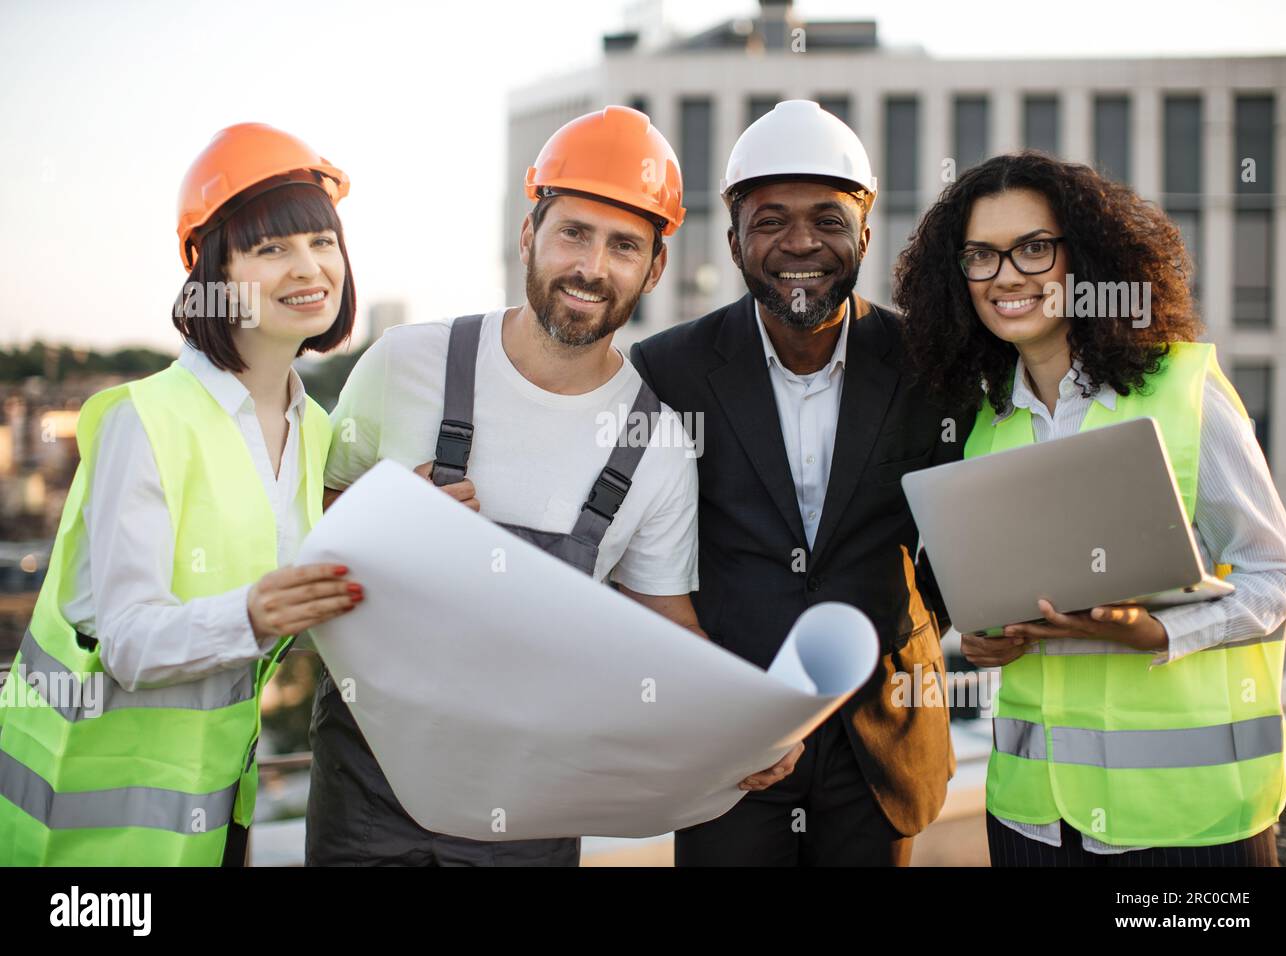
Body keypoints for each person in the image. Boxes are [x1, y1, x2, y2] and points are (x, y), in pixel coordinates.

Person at [308, 105, 786, 867]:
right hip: (369, 791)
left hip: (530, 809)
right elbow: (308, 525)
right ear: (528, 235)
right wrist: (393, 526)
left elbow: (665, 623)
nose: (593, 268)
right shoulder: (406, 364)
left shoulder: (655, 440)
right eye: (574, 233)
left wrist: (738, 729)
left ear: (654, 268)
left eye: (624, 245)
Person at [894, 150, 1286, 866]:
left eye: (1034, 248)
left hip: (1187, 826)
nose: (1007, 275)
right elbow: (1009, 607)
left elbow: (1278, 578)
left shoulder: (1183, 391)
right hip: (1032, 822)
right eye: (980, 257)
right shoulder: (986, 426)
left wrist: (1159, 635)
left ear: (1085, 261)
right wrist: (988, 641)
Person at [0, 123, 364, 866]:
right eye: (273, 249)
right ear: (212, 271)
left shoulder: (318, 429)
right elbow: (129, 641)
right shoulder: (145, 420)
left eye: (322, 243)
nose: (310, 267)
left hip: (215, 807)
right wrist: (251, 614)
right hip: (89, 830)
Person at [631, 100, 963, 867]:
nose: (800, 243)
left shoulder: (929, 365)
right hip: (731, 743)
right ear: (736, 241)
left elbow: (955, 542)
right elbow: (636, 549)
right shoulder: (667, 370)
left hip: (881, 740)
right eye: (771, 220)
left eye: (826, 219)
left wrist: (899, 644)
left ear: (865, 236)